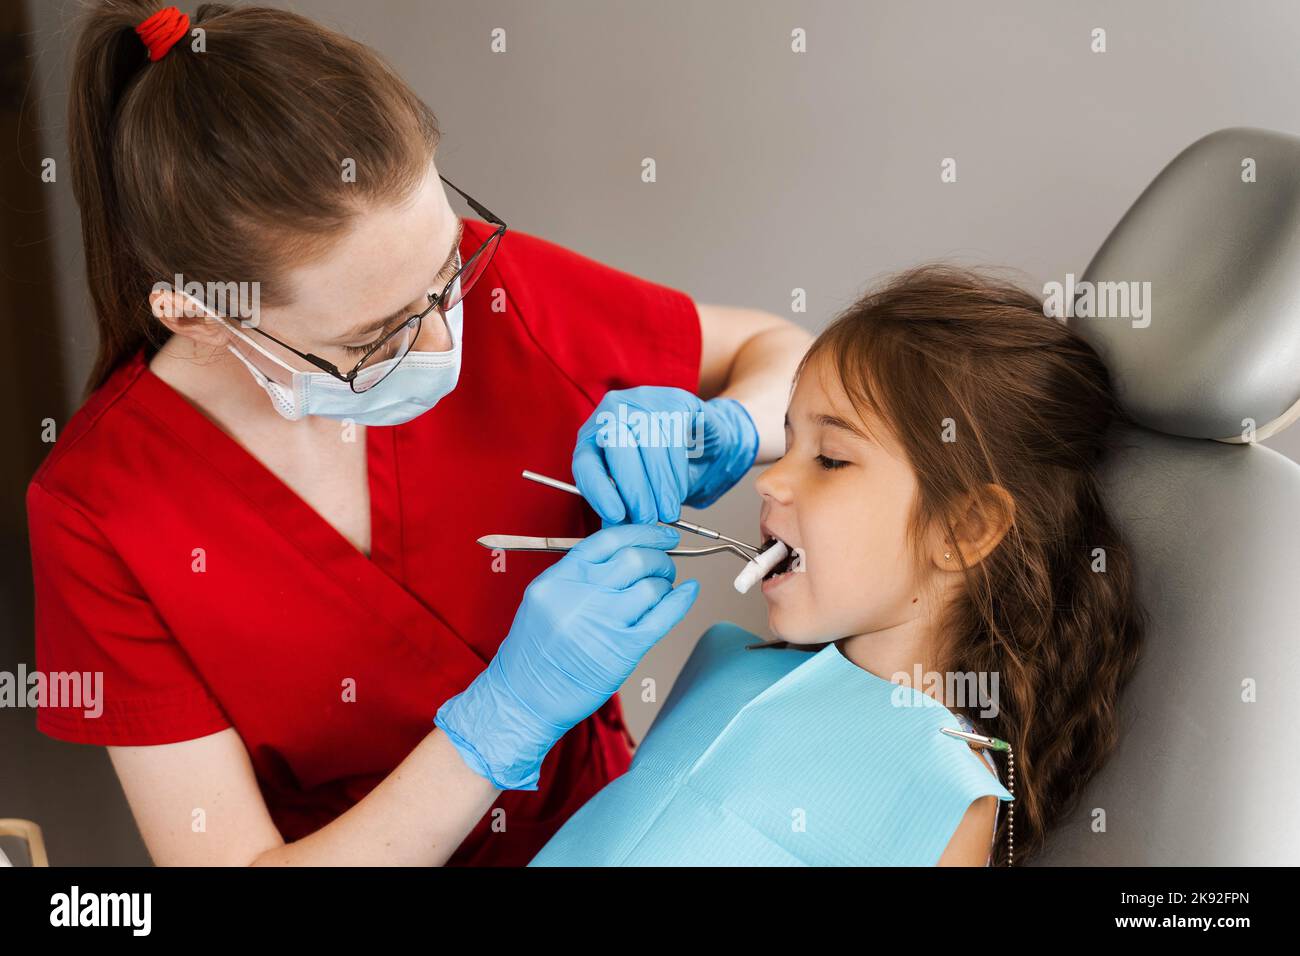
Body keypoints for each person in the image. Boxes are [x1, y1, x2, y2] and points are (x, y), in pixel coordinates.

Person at [28, 2, 810, 865]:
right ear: (201, 317)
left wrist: (728, 427)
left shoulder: (496, 291)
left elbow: (786, 352)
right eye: (376, 337)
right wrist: (502, 719)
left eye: (447, 276)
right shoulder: (97, 511)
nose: (444, 341)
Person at [531, 264, 1148, 866]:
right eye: (786, 441)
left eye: (829, 458)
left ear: (965, 530)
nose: (770, 479)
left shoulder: (944, 795)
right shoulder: (720, 664)